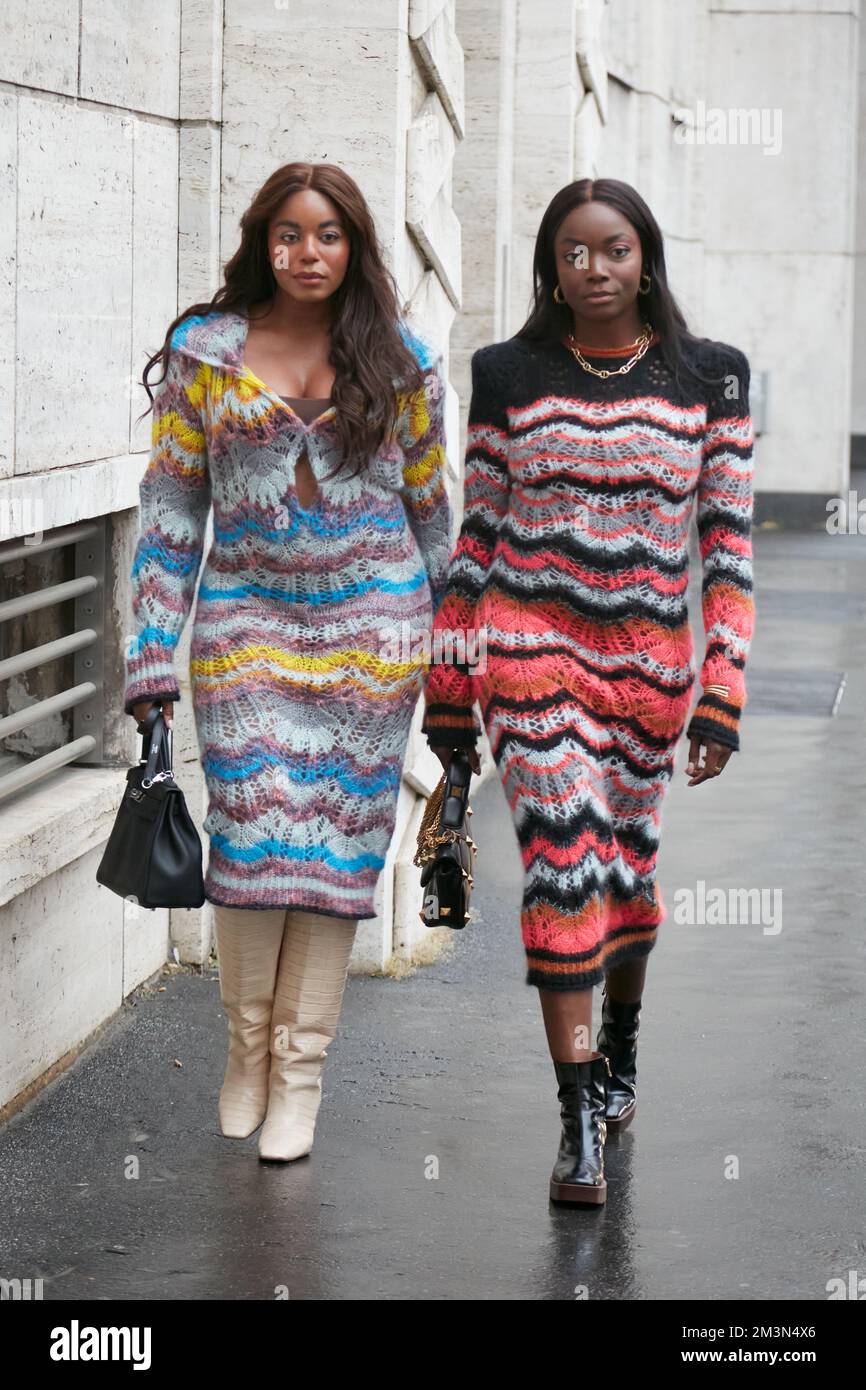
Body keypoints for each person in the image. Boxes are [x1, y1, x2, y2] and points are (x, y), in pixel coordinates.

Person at [421, 177, 755, 1206]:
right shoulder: (507, 372)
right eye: (573, 253)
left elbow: (726, 553)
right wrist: (449, 690)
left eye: (611, 250)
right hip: (530, 656)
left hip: (648, 676)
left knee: (624, 878)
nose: (593, 268)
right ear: (549, 267)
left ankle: (618, 1049)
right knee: (563, 868)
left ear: (642, 258)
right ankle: (575, 1117)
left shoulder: (711, 377)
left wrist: (719, 691)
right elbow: (474, 539)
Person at [123, 162, 452, 1162]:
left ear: (354, 246)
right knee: (253, 841)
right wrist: (150, 654)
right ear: (260, 243)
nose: (307, 254)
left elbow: (434, 512)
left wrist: (463, 676)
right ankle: (246, 1048)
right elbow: (174, 503)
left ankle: (300, 1077)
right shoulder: (205, 356)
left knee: (334, 860)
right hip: (244, 629)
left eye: (328, 235)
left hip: (376, 633)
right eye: (287, 235)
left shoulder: (402, 362)